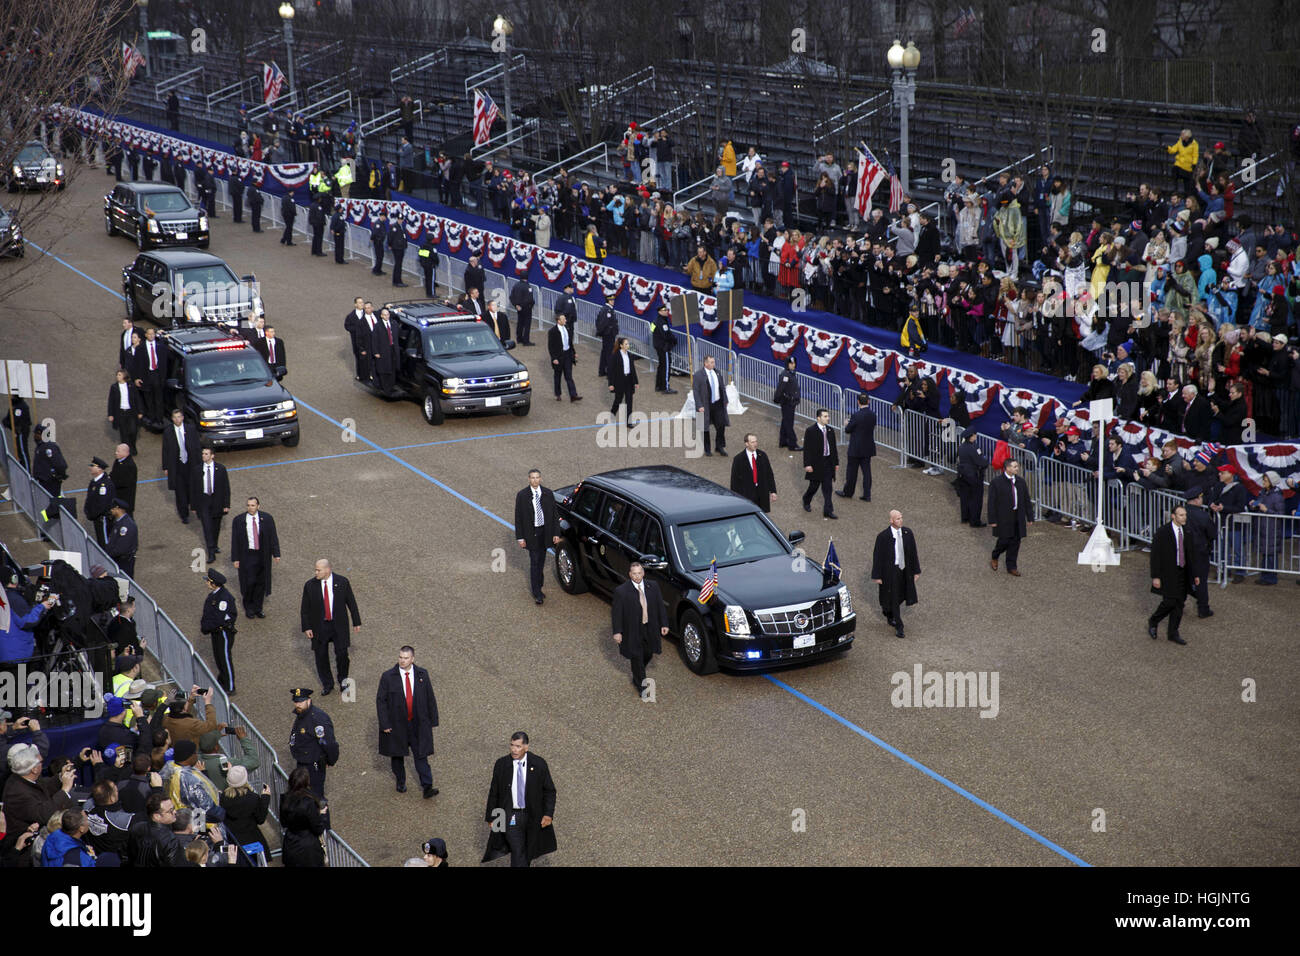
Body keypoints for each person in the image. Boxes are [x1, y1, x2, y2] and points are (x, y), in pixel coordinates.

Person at [482, 732, 556, 867]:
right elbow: (495, 793)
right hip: (511, 815)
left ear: (526, 747)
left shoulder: (539, 764)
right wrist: (492, 817)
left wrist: (548, 814)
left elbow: (549, 791)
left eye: (518, 746)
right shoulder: (501, 764)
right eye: (512, 745)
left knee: (527, 852)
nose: (514, 749)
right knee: (517, 850)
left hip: (533, 816)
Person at [376, 645, 440, 798]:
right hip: (397, 725)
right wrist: (385, 724)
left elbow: (430, 697)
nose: (402, 661)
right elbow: (381, 701)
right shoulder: (388, 677)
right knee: (397, 756)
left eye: (405, 658)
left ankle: (427, 786)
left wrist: (433, 719)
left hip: (417, 725)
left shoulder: (422, 674)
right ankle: (400, 781)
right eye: (400, 657)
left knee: (421, 756)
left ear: (412, 659)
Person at [300, 559, 361, 696]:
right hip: (319, 626)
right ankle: (327, 684)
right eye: (316, 570)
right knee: (320, 656)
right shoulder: (310, 586)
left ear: (327, 570)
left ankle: (343, 682)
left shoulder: (343, 582)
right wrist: (307, 627)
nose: (316, 572)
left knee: (342, 655)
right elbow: (305, 609)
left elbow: (351, 602)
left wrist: (356, 622)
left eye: (318, 570)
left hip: (338, 626)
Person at [611, 561, 668, 694]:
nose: (637, 576)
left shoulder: (653, 586)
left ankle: (637, 670)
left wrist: (664, 624)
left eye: (639, 573)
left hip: (649, 627)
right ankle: (642, 687)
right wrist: (617, 632)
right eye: (634, 574)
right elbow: (616, 613)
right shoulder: (622, 591)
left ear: (643, 573)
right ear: (630, 575)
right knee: (636, 655)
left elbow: (660, 606)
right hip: (632, 629)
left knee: (648, 653)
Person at [1148, 505, 1198, 646]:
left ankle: (1173, 633)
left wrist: (1195, 575)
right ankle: (1154, 620)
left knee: (1179, 604)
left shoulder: (1187, 531)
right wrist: (1156, 576)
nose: (1184, 518)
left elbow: (1190, 555)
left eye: (1185, 515)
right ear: (1173, 516)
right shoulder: (1163, 532)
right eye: (1181, 515)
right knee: (1169, 601)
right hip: (1168, 573)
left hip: (1183, 572)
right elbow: (1155, 555)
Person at [870, 510, 921, 639]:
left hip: (904, 570)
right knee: (893, 596)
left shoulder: (907, 533)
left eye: (901, 518)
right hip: (890, 571)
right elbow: (877, 557)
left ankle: (888, 612)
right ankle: (899, 626)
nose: (900, 520)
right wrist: (877, 575)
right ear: (891, 521)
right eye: (897, 518)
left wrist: (916, 570)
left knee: (902, 595)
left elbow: (913, 553)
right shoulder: (883, 537)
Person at [514, 469, 560, 606]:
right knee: (534, 562)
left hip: (544, 533)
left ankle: (538, 586)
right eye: (532, 478)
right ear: (529, 479)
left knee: (541, 561)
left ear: (540, 478)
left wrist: (556, 533)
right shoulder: (522, 495)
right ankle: (537, 593)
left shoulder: (547, 493)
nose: (535, 480)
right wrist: (520, 538)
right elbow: (518, 517)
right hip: (531, 534)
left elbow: (554, 515)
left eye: (537, 477)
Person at [230, 496, 280, 619]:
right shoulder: (239, 520)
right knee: (249, 582)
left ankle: (258, 608)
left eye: (253, 505)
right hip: (247, 555)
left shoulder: (267, 519)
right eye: (248, 505)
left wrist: (276, 553)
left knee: (261, 583)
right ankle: (249, 607)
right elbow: (235, 540)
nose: (250, 507)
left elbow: (273, 536)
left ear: (258, 506)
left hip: (262, 555)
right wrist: (235, 558)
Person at [288, 688, 339, 800]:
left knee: (316, 795)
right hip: (302, 760)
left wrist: (330, 760)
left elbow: (329, 743)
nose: (298, 705)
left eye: (301, 702)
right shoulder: (302, 714)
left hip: (313, 763)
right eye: (296, 702)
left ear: (309, 701)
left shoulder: (318, 719)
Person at [988, 458, 1033, 576]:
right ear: (1007, 468)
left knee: (1015, 541)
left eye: (1017, 466)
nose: (1017, 468)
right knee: (1004, 540)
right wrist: (992, 519)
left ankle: (1012, 566)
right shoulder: (997, 482)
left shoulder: (1021, 482)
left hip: (1017, 515)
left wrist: (1030, 517)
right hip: (1003, 516)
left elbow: (1026, 499)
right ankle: (995, 555)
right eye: (1014, 467)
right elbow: (991, 502)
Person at [200, 568, 238, 695]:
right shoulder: (214, 595)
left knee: (225, 657)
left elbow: (219, 618)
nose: (206, 583)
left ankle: (230, 686)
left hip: (223, 632)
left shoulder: (224, 598)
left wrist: (206, 627)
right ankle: (223, 680)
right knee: (218, 656)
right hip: (215, 631)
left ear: (214, 584)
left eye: (208, 581)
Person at [279, 765, 326, 867]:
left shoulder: (284, 799)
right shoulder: (308, 802)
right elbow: (318, 828)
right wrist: (321, 815)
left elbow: (283, 822)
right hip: (308, 849)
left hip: (290, 844)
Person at [191, 448, 230, 563]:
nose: (203, 455)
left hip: (217, 501)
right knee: (207, 528)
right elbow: (193, 489)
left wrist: (226, 504)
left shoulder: (221, 469)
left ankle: (215, 545)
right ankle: (211, 552)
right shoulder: (197, 470)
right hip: (203, 502)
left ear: (212, 456)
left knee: (215, 527)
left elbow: (226, 488)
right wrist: (193, 506)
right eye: (202, 453)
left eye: (206, 454)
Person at [161, 408, 200, 523]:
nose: (177, 419)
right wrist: (166, 467)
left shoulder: (191, 429)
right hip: (177, 465)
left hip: (190, 464)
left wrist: (199, 464)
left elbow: (197, 447)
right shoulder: (168, 431)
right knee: (180, 491)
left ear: (182, 417)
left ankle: (195, 509)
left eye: (179, 417)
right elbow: (165, 450)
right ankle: (184, 514)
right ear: (172, 419)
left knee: (193, 487)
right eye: (175, 417)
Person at [1183, 487, 1216, 619]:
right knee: (1200, 581)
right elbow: (1212, 533)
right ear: (1196, 500)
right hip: (1199, 552)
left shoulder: (1180, 513)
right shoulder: (1202, 515)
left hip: (1183, 551)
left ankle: (1177, 604)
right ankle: (1203, 608)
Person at [839, 392, 877, 501]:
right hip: (868, 447)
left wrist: (847, 424)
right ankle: (867, 494)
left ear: (858, 402)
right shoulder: (873, 415)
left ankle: (848, 492)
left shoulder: (856, 415)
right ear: (868, 401)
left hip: (856, 447)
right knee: (867, 472)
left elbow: (848, 430)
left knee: (852, 472)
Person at [801, 409, 839, 518]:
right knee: (814, 486)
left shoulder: (830, 430)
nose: (828, 418)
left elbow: (833, 448)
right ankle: (806, 499)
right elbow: (807, 449)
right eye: (825, 416)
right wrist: (807, 464)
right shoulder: (811, 431)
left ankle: (828, 511)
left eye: (828, 416)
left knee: (828, 488)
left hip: (828, 462)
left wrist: (836, 462)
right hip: (816, 463)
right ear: (818, 418)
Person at [692, 355, 729, 456]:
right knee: (704, 427)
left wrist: (725, 399)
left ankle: (719, 446)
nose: (713, 364)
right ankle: (707, 449)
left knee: (721, 425)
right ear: (705, 363)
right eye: (711, 362)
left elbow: (722, 387)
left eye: (714, 362)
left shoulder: (717, 372)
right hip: (705, 405)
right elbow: (695, 392)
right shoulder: (698, 375)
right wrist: (699, 405)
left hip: (717, 404)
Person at [729, 433, 777, 513]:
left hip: (762, 493)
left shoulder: (762, 455)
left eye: (756, 441)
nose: (755, 444)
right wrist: (736, 498)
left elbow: (769, 474)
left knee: (761, 516)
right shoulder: (738, 459)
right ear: (746, 444)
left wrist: (773, 491)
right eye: (752, 442)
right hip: (747, 494)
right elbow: (734, 480)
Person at [955, 428, 989, 527]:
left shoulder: (961, 447)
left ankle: (965, 517)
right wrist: (986, 463)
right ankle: (974, 521)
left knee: (965, 497)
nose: (975, 436)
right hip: (974, 475)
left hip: (963, 474)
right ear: (971, 436)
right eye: (974, 435)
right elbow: (981, 461)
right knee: (976, 498)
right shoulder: (974, 448)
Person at [106, 369, 143, 455]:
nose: (117, 376)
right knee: (124, 432)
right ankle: (126, 451)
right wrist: (110, 414)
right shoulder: (114, 387)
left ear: (124, 376)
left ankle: (132, 446)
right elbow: (111, 401)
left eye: (119, 375)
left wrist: (140, 411)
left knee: (133, 430)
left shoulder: (131, 386)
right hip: (120, 412)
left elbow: (137, 399)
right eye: (117, 375)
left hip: (131, 412)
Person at [548, 313, 581, 402]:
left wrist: (574, 353)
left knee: (569, 376)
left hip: (567, 355)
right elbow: (551, 346)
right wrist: (554, 358)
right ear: (558, 321)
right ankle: (558, 394)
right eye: (563, 319)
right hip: (559, 356)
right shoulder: (552, 331)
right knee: (557, 376)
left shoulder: (567, 328)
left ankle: (573, 395)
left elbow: (570, 343)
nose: (565, 320)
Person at [85, 456, 117, 548]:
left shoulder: (105, 484)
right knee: (100, 540)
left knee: (104, 542)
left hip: (103, 518)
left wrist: (92, 514)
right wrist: (88, 511)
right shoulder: (94, 482)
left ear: (99, 468)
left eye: (92, 465)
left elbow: (103, 504)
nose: (90, 467)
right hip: (96, 518)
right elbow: (90, 499)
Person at [607, 337, 639, 420]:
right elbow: (611, 370)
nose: (628, 345)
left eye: (628, 344)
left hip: (629, 380)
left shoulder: (630, 355)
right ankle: (612, 415)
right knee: (618, 400)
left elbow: (632, 369)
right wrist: (610, 383)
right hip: (619, 381)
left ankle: (629, 421)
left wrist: (635, 382)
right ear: (621, 346)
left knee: (629, 401)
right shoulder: (615, 356)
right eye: (626, 344)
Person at [774, 356, 802, 450]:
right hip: (787, 402)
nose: (793, 365)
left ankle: (783, 441)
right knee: (789, 423)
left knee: (785, 421)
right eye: (791, 363)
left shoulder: (791, 374)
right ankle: (792, 444)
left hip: (791, 402)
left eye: (794, 363)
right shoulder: (785, 375)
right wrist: (777, 398)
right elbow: (780, 388)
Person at [106, 499, 138, 577]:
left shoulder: (126, 526)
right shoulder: (119, 522)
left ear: (118, 509)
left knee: (125, 582)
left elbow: (121, 548)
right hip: (119, 559)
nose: (111, 510)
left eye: (112, 509)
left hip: (123, 561)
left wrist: (108, 554)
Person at [370, 307, 399, 394]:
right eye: (384, 315)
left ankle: (391, 386)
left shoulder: (393, 323)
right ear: (381, 316)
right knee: (384, 369)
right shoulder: (378, 326)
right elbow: (374, 340)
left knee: (392, 368)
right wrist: (376, 352)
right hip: (383, 351)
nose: (386, 316)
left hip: (393, 349)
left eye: (388, 315)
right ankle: (385, 388)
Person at [343, 297, 370, 381]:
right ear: (355, 304)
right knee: (359, 358)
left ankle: (370, 374)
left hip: (368, 340)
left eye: (362, 302)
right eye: (359, 303)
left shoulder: (367, 313)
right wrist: (358, 329)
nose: (362, 304)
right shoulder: (351, 316)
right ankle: (360, 374)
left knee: (369, 357)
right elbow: (347, 326)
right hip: (357, 341)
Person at [595, 294, 619, 377]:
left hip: (608, 334)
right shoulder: (607, 310)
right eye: (612, 300)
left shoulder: (607, 309)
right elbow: (603, 323)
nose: (613, 301)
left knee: (605, 352)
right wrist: (605, 332)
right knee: (609, 353)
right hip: (608, 335)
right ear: (609, 301)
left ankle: (602, 370)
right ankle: (609, 372)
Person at [109, 444, 137, 514]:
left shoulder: (130, 466)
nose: (116, 453)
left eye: (118, 451)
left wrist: (111, 483)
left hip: (125, 499)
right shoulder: (118, 461)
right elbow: (113, 473)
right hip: (117, 497)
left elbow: (125, 482)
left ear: (125, 452)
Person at [388, 219, 409, 287]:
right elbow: (390, 236)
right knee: (398, 265)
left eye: (401, 219)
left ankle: (396, 280)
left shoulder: (401, 226)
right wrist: (390, 245)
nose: (401, 221)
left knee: (398, 265)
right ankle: (397, 281)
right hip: (397, 248)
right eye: (400, 219)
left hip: (401, 247)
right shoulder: (394, 226)